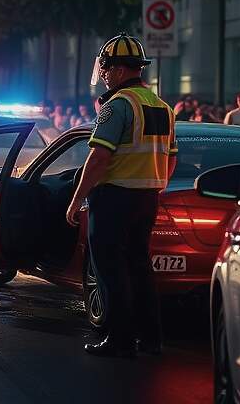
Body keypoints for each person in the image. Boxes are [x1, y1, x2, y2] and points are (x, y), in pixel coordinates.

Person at [66, 33, 177, 358]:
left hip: (114, 199)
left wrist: (76, 199)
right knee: (140, 267)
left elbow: (99, 158)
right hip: (147, 199)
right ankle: (151, 339)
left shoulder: (117, 106)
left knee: (110, 269)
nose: (103, 74)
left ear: (116, 69)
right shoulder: (162, 106)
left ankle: (119, 338)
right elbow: (171, 157)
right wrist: (156, 184)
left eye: (105, 68)